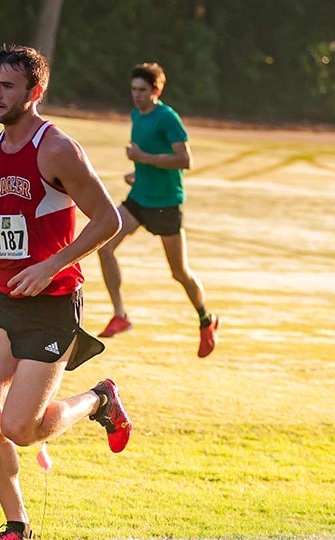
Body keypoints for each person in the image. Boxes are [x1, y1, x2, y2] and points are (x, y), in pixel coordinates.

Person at [0, 45, 132, 540]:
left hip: (53, 302)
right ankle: (16, 523)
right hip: (4, 299)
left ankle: (100, 399)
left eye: (8, 87)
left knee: (21, 427)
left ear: (34, 92)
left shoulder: (57, 148)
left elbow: (109, 220)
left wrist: (52, 265)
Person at [96, 62, 219, 358]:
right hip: (139, 198)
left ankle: (205, 319)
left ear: (156, 90)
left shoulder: (168, 118)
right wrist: (138, 173)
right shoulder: (136, 115)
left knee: (178, 272)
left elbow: (184, 160)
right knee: (104, 246)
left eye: (142, 91)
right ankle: (120, 315)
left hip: (165, 205)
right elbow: (146, 160)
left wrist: (144, 159)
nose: (136, 96)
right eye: (133, 90)